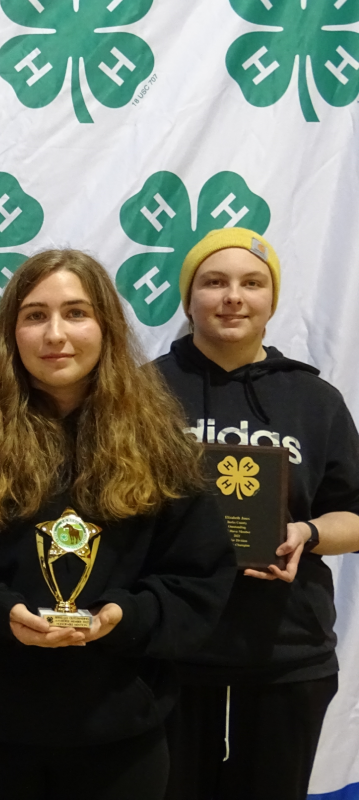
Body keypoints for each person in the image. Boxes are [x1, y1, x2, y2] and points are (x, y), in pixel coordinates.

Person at [0, 249, 236, 800]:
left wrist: (124, 616)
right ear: (11, 332)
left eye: (76, 313)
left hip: (117, 738)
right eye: (35, 315)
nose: (55, 334)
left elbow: (199, 580)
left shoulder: (161, 445)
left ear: (107, 326)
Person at [155, 228, 359, 800]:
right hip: (170, 650)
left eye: (252, 283)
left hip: (285, 652)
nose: (233, 297)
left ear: (271, 299)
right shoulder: (143, 391)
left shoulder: (314, 399)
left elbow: (353, 516)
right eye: (213, 282)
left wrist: (306, 533)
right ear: (188, 297)